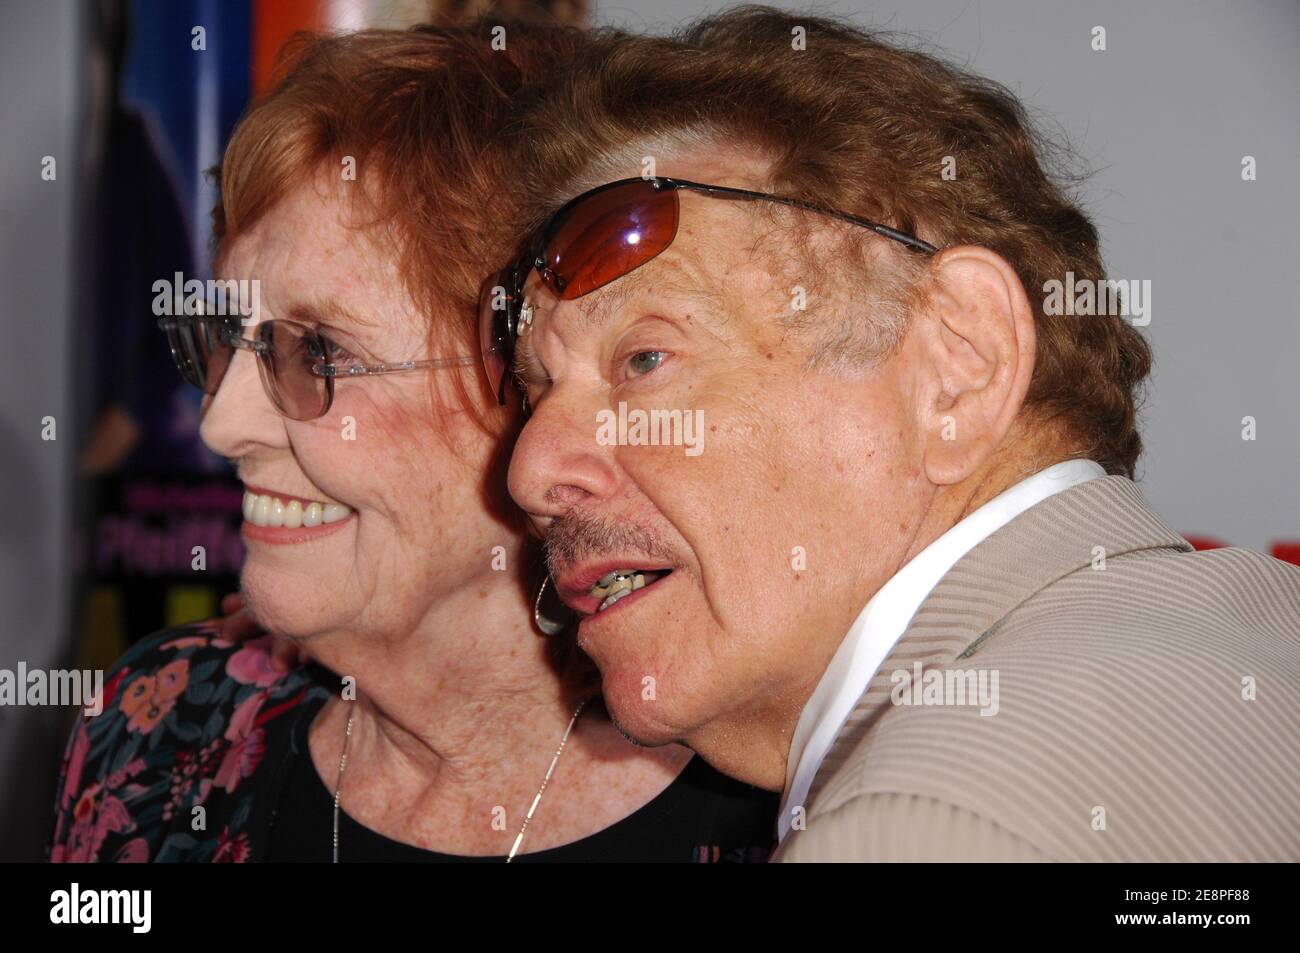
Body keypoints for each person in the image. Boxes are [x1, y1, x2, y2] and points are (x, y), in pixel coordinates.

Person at [490, 8, 1300, 861]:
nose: (531, 471)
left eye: (645, 358)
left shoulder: (913, 829)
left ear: (959, 363)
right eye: (537, 394)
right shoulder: (1260, 639)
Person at [49, 21, 777, 863]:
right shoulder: (162, 729)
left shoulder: (780, 797)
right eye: (226, 336)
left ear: (536, 392)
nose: (220, 424)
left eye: (316, 352)